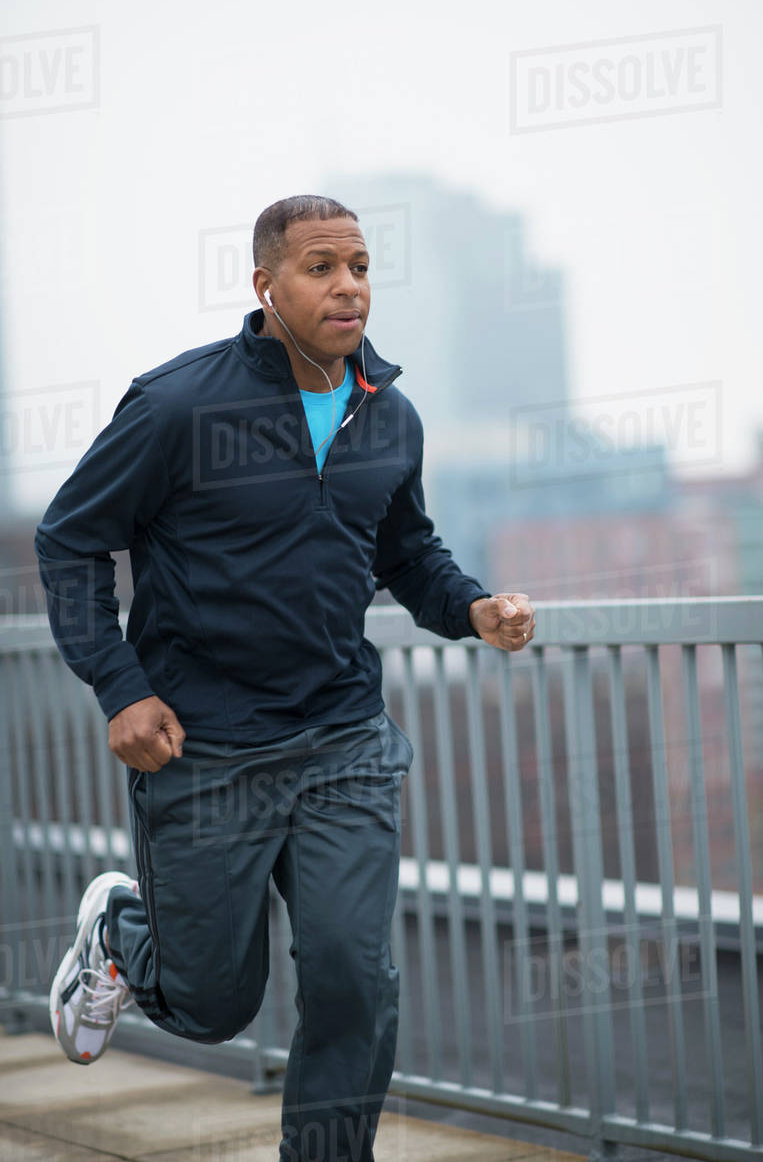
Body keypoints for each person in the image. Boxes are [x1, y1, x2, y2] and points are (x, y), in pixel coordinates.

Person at [35, 194, 536, 1161]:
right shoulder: (178, 405)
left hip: (343, 741)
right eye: (320, 267)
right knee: (211, 1004)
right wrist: (121, 688)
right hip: (206, 748)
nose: (348, 286)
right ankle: (122, 930)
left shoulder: (388, 416)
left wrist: (472, 609)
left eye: (359, 266)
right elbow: (68, 541)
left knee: (353, 978)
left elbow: (405, 552)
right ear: (266, 286)